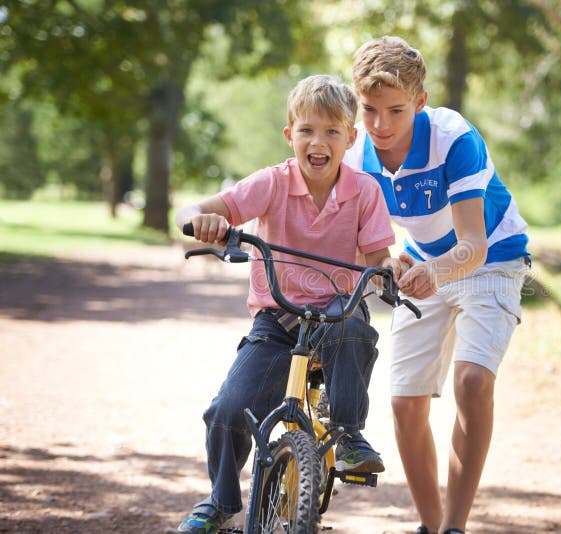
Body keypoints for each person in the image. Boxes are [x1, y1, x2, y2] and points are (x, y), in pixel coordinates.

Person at [175, 74, 399, 534]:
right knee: (227, 411)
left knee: (354, 327)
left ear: (350, 139)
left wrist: (392, 271)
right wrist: (203, 220)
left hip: (337, 313)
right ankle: (220, 501)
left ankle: (349, 434)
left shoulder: (365, 191)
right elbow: (198, 208)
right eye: (308, 131)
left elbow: (378, 258)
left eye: (332, 132)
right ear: (289, 135)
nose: (319, 142)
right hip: (277, 320)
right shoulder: (271, 184)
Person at [344, 36, 530, 534]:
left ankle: (454, 527)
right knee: (405, 402)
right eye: (369, 110)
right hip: (426, 263)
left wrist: (435, 270)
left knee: (472, 380)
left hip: (493, 259)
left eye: (396, 111)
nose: (381, 125)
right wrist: (393, 260)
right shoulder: (358, 152)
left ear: (420, 102)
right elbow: (369, 240)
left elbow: (474, 244)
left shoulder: (455, 138)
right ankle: (430, 527)